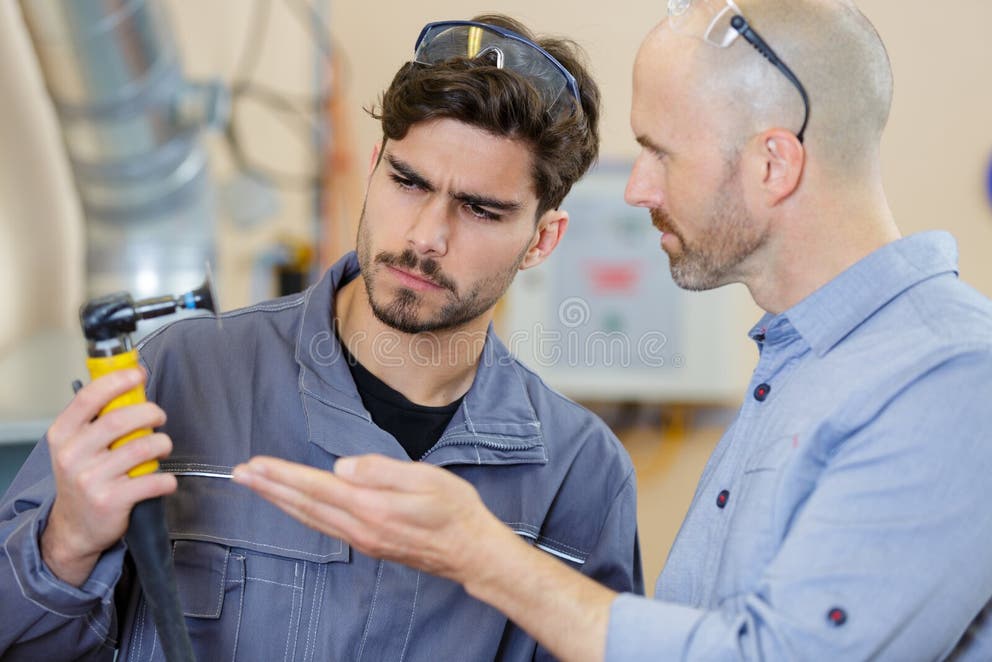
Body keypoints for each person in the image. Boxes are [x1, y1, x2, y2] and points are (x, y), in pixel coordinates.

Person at [230, 0, 992, 660]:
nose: (635, 189)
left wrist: (481, 553)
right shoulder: (796, 371)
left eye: (660, 153)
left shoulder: (951, 378)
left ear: (773, 165)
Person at [0, 14, 644, 661]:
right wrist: (64, 544)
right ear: (373, 165)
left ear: (541, 239)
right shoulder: (184, 376)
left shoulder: (578, 475)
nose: (426, 235)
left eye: (479, 208)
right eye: (408, 181)